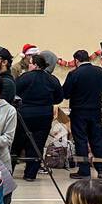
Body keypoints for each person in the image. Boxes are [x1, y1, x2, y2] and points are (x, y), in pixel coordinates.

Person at [60, 49, 102, 179]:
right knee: (97, 140)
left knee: (80, 140)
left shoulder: (74, 74)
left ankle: (84, 170)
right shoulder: (99, 72)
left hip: (79, 112)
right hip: (96, 111)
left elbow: (66, 93)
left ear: (76, 60)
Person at [15, 51, 62, 180]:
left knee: (17, 144)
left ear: (35, 65)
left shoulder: (25, 77)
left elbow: (15, 92)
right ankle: (30, 174)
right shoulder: (52, 79)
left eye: (30, 63)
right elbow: (58, 98)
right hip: (44, 116)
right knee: (37, 145)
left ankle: (9, 170)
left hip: (25, 115)